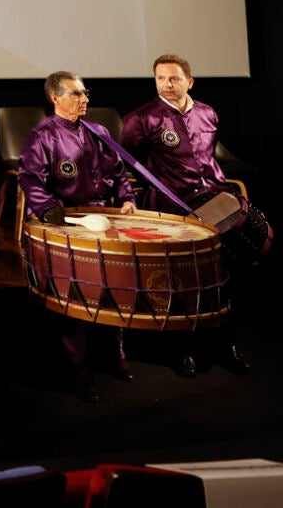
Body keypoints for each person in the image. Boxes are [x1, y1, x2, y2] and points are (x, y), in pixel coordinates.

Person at [119, 54, 249, 375]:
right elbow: (128, 162)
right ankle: (181, 350)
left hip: (214, 204)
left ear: (189, 82)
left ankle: (226, 345)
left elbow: (210, 158)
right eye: (161, 78)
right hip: (171, 207)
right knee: (179, 282)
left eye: (173, 78)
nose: (167, 84)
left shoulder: (208, 113)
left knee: (223, 276)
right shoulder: (141, 119)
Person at [18, 71, 135, 401]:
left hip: (101, 220)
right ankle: (78, 373)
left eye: (85, 93)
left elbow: (117, 172)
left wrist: (126, 197)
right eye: (77, 94)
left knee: (112, 290)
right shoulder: (41, 136)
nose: (85, 99)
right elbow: (29, 179)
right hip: (67, 223)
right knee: (77, 298)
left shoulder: (98, 131)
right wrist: (52, 212)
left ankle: (114, 358)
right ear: (55, 98)